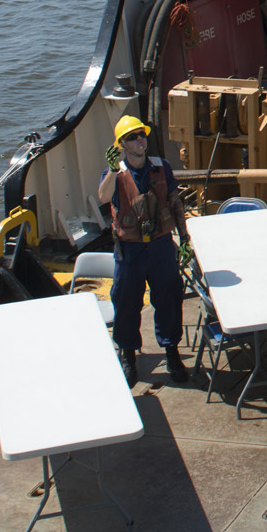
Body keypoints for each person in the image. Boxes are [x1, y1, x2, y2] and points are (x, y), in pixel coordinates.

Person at [97, 115, 186, 384]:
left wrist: (185, 240)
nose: (139, 140)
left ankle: (171, 351)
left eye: (141, 135)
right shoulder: (115, 173)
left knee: (169, 298)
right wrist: (112, 170)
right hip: (130, 250)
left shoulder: (162, 167)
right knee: (125, 302)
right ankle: (128, 355)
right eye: (132, 137)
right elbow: (103, 197)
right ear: (122, 145)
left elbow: (175, 203)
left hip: (160, 247)